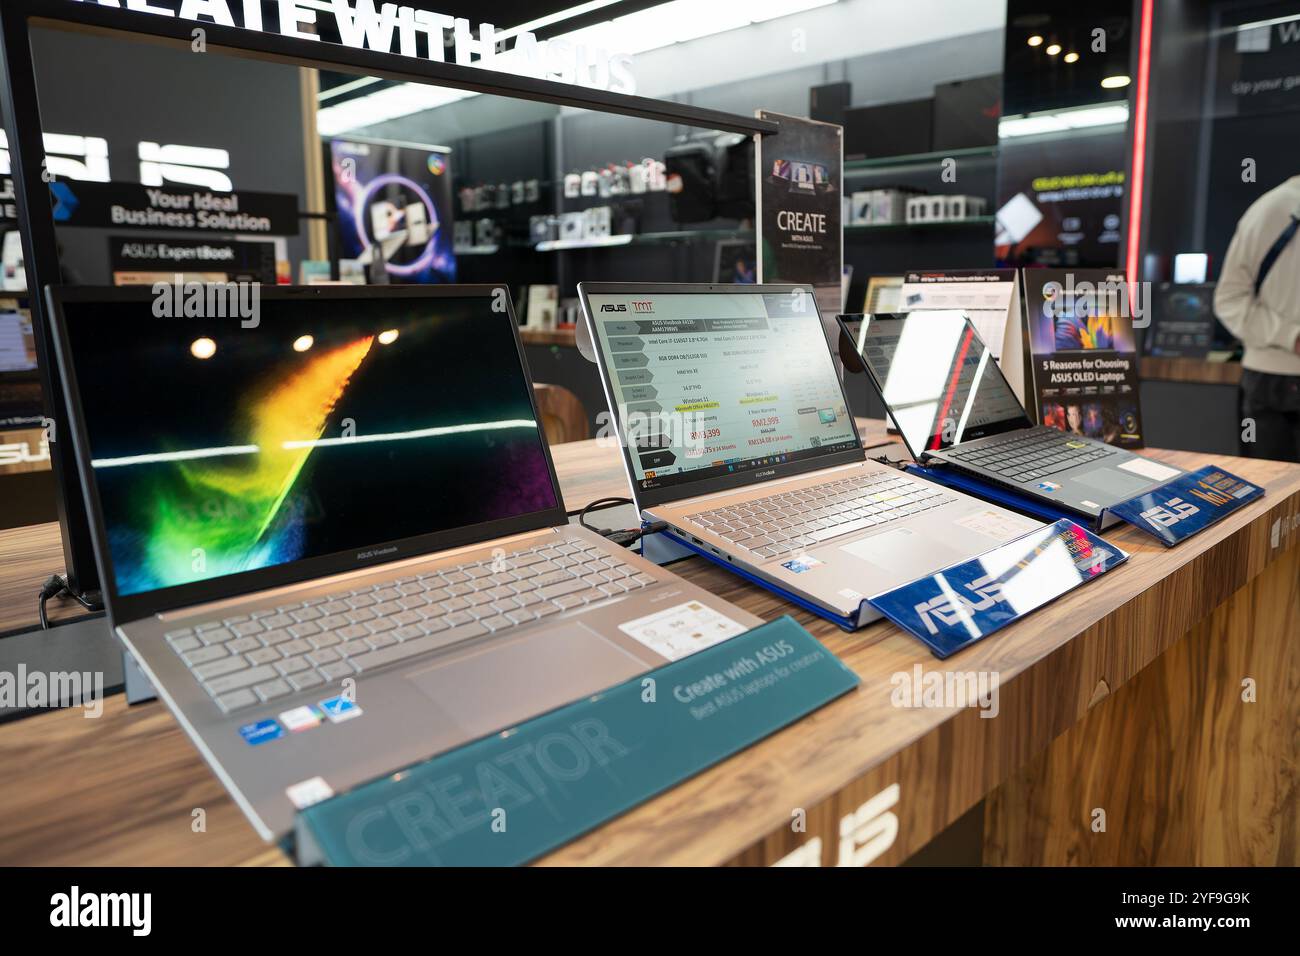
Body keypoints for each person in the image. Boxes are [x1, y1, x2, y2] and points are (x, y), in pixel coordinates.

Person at [1215, 175, 1300, 462]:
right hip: (1276, 384)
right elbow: (1229, 299)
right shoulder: (1274, 209)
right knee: (1282, 499)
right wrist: (1292, 337)